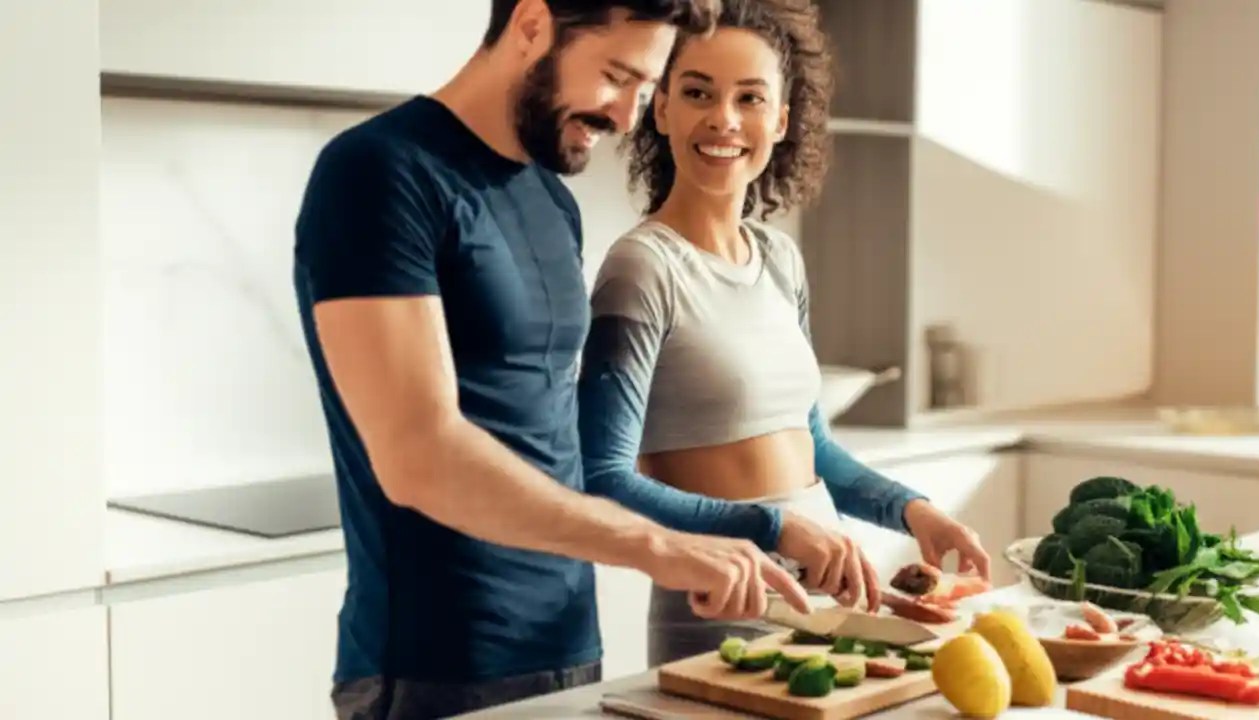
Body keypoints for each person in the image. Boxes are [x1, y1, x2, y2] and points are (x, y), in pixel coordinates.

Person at [291, 1, 870, 718]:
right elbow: (420, 453)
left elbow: (564, 445)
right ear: (533, 24)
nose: (628, 116)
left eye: (643, 86)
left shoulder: (550, 200)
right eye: (617, 76)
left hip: (568, 647)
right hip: (433, 667)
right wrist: (661, 545)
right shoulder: (379, 172)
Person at [577, 0, 993, 667]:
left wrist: (914, 512)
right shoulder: (642, 268)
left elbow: (812, 451)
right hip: (723, 616)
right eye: (697, 93)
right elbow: (602, 476)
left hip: (832, 604)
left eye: (750, 98)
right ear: (661, 110)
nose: (723, 119)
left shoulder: (779, 260)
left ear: (781, 121)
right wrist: (775, 529)